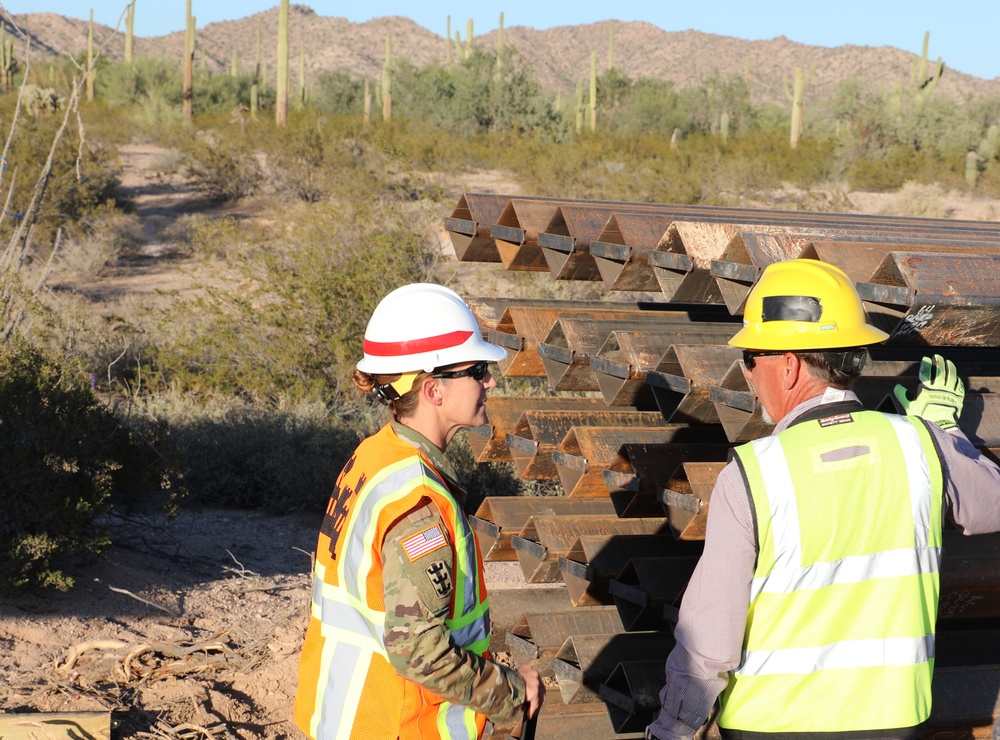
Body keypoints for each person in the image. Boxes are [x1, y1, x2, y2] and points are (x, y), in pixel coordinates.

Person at [646, 259, 1000, 740]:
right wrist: (945, 431)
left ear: (788, 365)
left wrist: (673, 727)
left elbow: (708, 641)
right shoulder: (921, 445)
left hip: (770, 725)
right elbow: (991, 503)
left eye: (750, 358)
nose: (748, 375)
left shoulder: (753, 474)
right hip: (893, 721)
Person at [294, 283, 544, 740]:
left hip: (348, 719)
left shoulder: (376, 456)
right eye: (477, 369)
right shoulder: (417, 502)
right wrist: (510, 694)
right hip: (394, 726)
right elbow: (418, 651)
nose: (489, 381)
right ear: (433, 390)